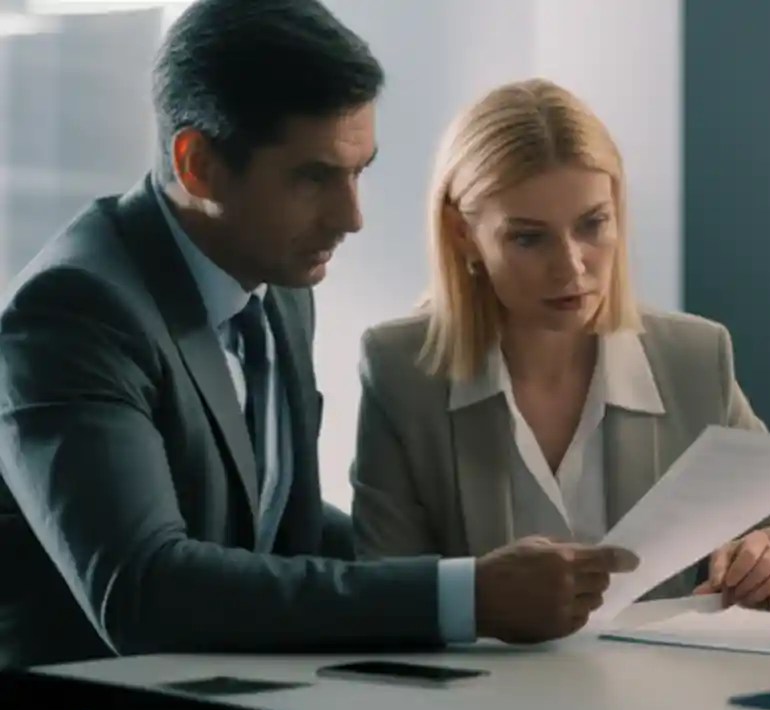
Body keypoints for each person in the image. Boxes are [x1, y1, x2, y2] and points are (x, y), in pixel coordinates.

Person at [0, 0, 634, 670]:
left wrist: (460, 566)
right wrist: (466, 594)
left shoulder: (277, 288)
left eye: (361, 171)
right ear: (198, 165)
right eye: (314, 178)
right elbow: (144, 591)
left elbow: (283, 529)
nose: (352, 217)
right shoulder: (74, 312)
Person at [350, 79, 770, 626]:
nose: (572, 267)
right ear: (464, 236)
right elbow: (386, 590)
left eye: (593, 225)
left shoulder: (693, 356)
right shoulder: (401, 368)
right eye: (529, 238)